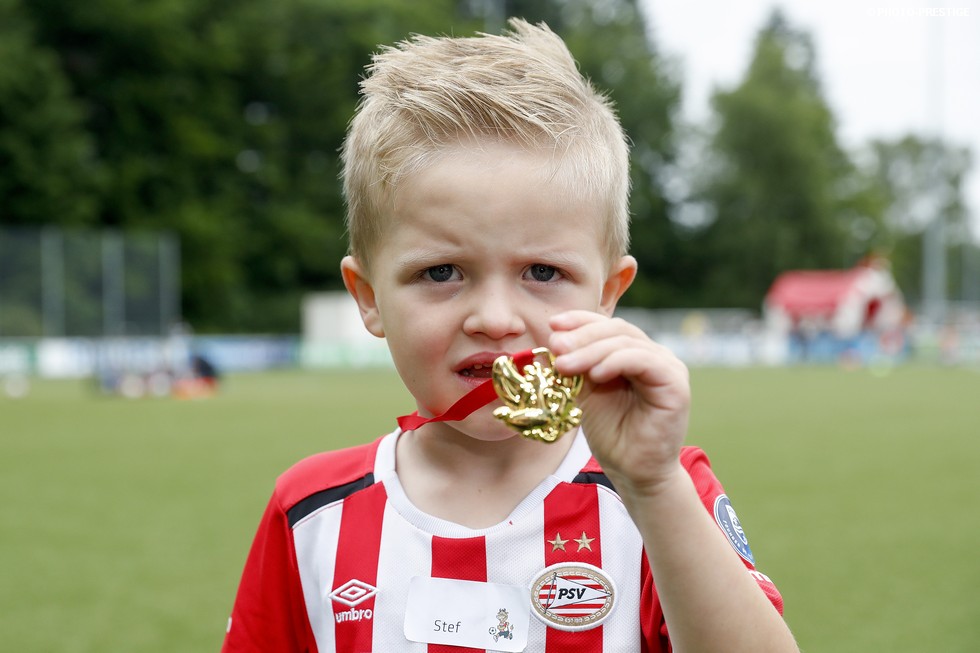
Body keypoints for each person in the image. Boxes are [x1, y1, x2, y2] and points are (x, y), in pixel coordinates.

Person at [221, 19, 799, 653]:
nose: (495, 318)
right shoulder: (311, 512)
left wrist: (655, 489)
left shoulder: (657, 490)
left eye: (543, 272)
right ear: (368, 297)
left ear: (607, 295)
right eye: (440, 272)